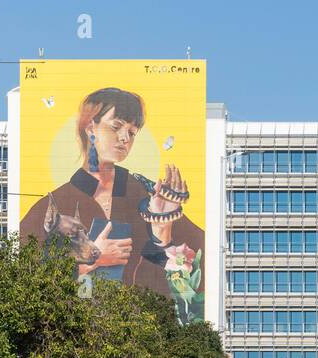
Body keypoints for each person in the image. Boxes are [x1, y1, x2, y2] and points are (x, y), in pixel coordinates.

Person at [20, 87, 205, 315]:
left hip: (139, 334)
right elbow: (23, 275)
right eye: (116, 127)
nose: (125, 138)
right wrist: (92, 260)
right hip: (70, 335)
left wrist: (163, 235)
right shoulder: (52, 205)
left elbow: (200, 266)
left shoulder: (145, 197)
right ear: (90, 128)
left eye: (132, 132)